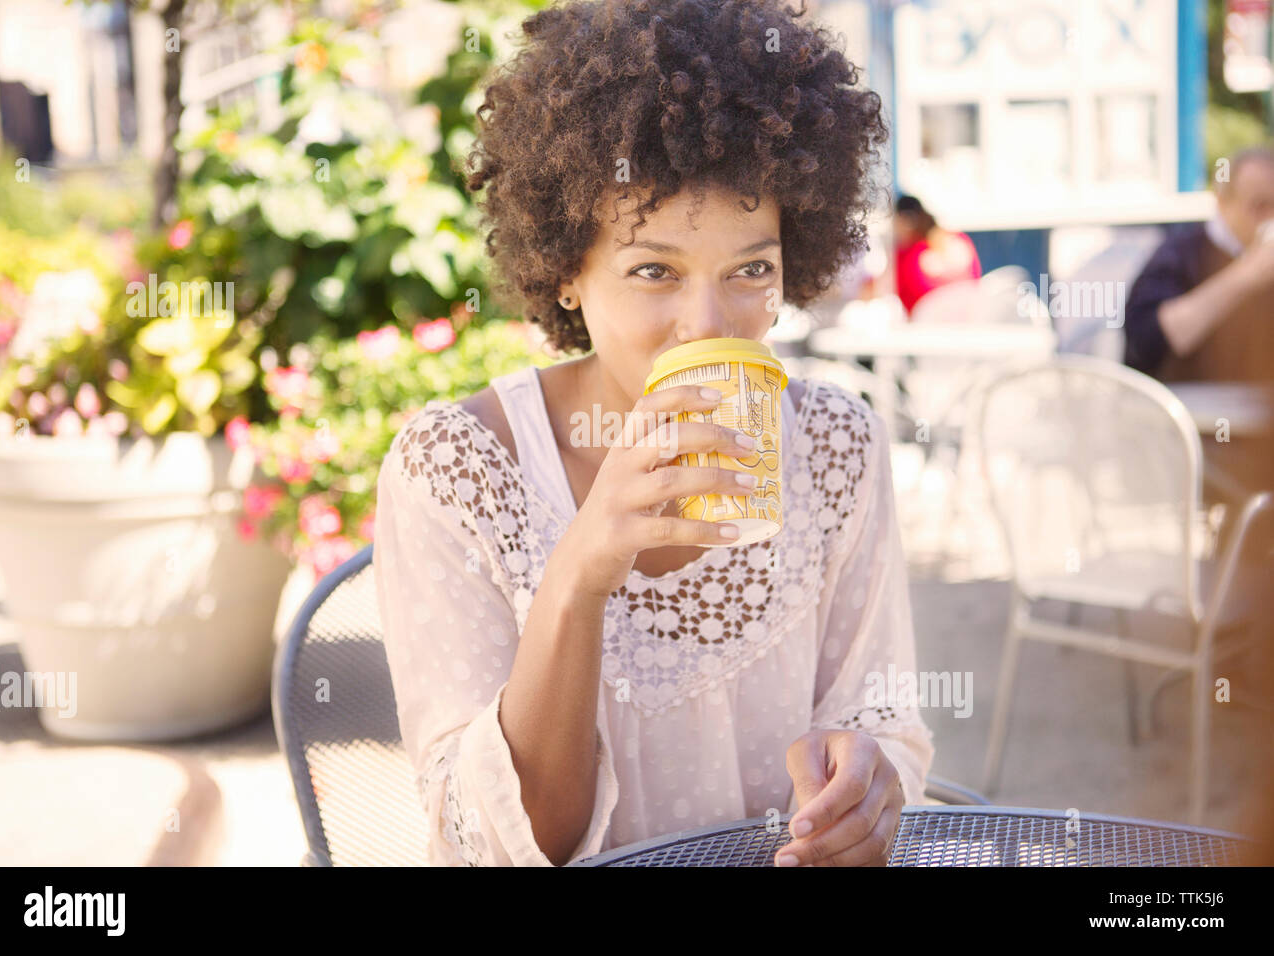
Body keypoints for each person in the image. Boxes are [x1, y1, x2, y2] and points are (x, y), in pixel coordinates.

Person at [372, 0, 933, 867]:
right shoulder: (456, 471)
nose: (705, 325)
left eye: (751, 269)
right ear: (566, 271)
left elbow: (880, 716)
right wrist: (581, 571)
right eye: (653, 271)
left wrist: (869, 785)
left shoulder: (835, 447)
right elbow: (500, 846)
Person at [1123, 145, 1274, 385]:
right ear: (1223, 202)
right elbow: (1147, 341)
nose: (1269, 218)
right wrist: (1248, 274)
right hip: (1196, 412)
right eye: (1259, 206)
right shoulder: (1178, 254)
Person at [892, 194, 981, 315]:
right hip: (971, 314)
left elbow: (908, 296)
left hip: (930, 323)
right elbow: (975, 277)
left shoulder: (909, 255)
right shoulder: (959, 239)